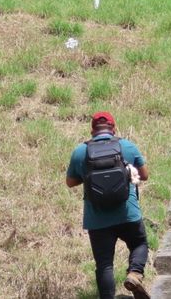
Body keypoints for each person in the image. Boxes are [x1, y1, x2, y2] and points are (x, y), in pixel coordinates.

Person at [65, 111, 151, 299]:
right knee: (139, 243)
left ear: (92, 130)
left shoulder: (81, 152)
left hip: (97, 219)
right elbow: (144, 175)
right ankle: (135, 273)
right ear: (113, 128)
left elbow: (70, 182)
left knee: (104, 264)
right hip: (127, 213)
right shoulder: (127, 146)